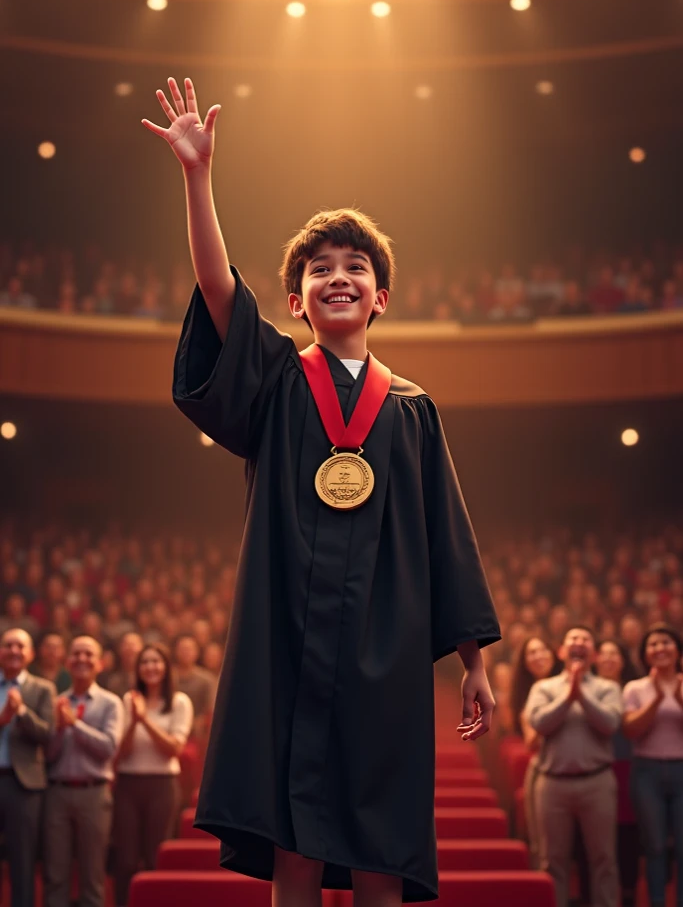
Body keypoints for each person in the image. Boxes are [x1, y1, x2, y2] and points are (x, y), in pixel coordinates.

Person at [145, 76, 500, 905]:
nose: (335, 277)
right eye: (316, 269)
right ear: (297, 301)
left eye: (354, 267)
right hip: (286, 639)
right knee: (294, 845)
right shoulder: (274, 381)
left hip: (385, 650)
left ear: (379, 296)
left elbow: (445, 533)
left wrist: (475, 662)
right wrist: (198, 178)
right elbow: (216, 290)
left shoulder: (411, 410)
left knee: (379, 845)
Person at [525, 626, 623, 907]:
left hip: (598, 782)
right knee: (552, 861)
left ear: (593, 654)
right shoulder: (543, 688)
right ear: (561, 651)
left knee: (604, 859)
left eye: (585, 640)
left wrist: (582, 693)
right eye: (573, 639)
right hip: (552, 783)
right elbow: (540, 724)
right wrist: (569, 694)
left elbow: (610, 725)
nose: (578, 643)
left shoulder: (608, 688)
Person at [43, 636, 124, 907]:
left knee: (92, 877)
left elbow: (109, 748)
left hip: (94, 793)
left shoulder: (111, 703)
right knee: (55, 875)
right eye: (76, 654)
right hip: (57, 793)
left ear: (100, 663)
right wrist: (58, 728)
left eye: (88, 654)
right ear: (67, 662)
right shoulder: (58, 702)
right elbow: (49, 755)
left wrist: (75, 725)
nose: (82, 659)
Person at [113, 643, 193, 907]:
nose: (150, 667)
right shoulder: (129, 700)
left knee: (154, 857)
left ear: (166, 667)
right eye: (144, 662)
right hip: (128, 783)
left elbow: (174, 749)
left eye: (156, 661)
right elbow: (121, 753)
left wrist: (145, 719)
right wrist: (134, 720)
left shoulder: (179, 702)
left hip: (162, 785)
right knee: (124, 860)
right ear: (137, 669)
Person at [623, 625, 683, 907]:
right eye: (653, 644)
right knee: (655, 845)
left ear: (677, 650)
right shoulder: (635, 688)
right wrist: (658, 698)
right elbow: (631, 730)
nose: (660, 648)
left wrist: (679, 698)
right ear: (646, 654)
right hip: (647, 771)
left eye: (666, 642)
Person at [0, 628, 55, 907]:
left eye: (20, 646)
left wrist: (21, 713)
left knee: (22, 863)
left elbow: (48, 734)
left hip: (24, 786)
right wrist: (2, 719)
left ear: (31, 654)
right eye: (8, 645)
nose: (13, 651)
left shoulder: (42, 688)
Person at [594, 639, 640, 907]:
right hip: (593, 768)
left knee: (626, 834)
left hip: (627, 767)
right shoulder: (585, 688)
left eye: (615, 654)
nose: (609, 659)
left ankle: (629, 892)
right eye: (604, 653)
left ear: (624, 661)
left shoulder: (632, 692)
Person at [509, 636, 560, 868]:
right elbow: (531, 741)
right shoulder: (525, 695)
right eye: (532, 653)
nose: (538, 656)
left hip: (577, 765)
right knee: (543, 848)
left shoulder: (573, 683)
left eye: (543, 650)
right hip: (543, 769)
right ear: (525, 663)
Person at [172, 634, 216, 740]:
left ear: (197, 652)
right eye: (182, 649)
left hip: (197, 733)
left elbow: (209, 710)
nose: (186, 653)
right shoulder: (168, 677)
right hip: (170, 728)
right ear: (175, 651)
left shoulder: (207, 679)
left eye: (189, 649)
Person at [102, 631, 143, 699]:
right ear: (120, 649)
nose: (130, 649)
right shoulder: (112, 679)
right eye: (126, 645)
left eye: (133, 645)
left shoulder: (147, 676)